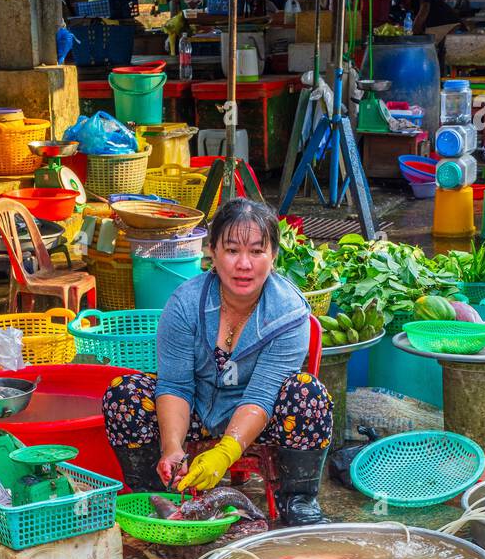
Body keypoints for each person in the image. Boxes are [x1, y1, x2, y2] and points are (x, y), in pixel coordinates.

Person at [102, 199, 334, 526]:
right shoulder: (185, 303)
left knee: (309, 395)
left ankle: (298, 503)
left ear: (273, 256)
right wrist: (172, 447)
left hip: (259, 420)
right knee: (123, 393)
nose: (244, 264)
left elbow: (262, 396)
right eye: (232, 250)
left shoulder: (289, 314)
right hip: (195, 408)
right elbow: (176, 384)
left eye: (257, 251)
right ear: (211, 252)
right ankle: (156, 494)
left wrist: (226, 451)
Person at [390, 0, 462, 41]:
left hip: (455, 31)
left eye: (403, 1)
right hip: (439, 35)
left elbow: (423, 12)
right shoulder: (412, 11)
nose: (403, 5)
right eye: (400, 3)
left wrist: (412, 35)